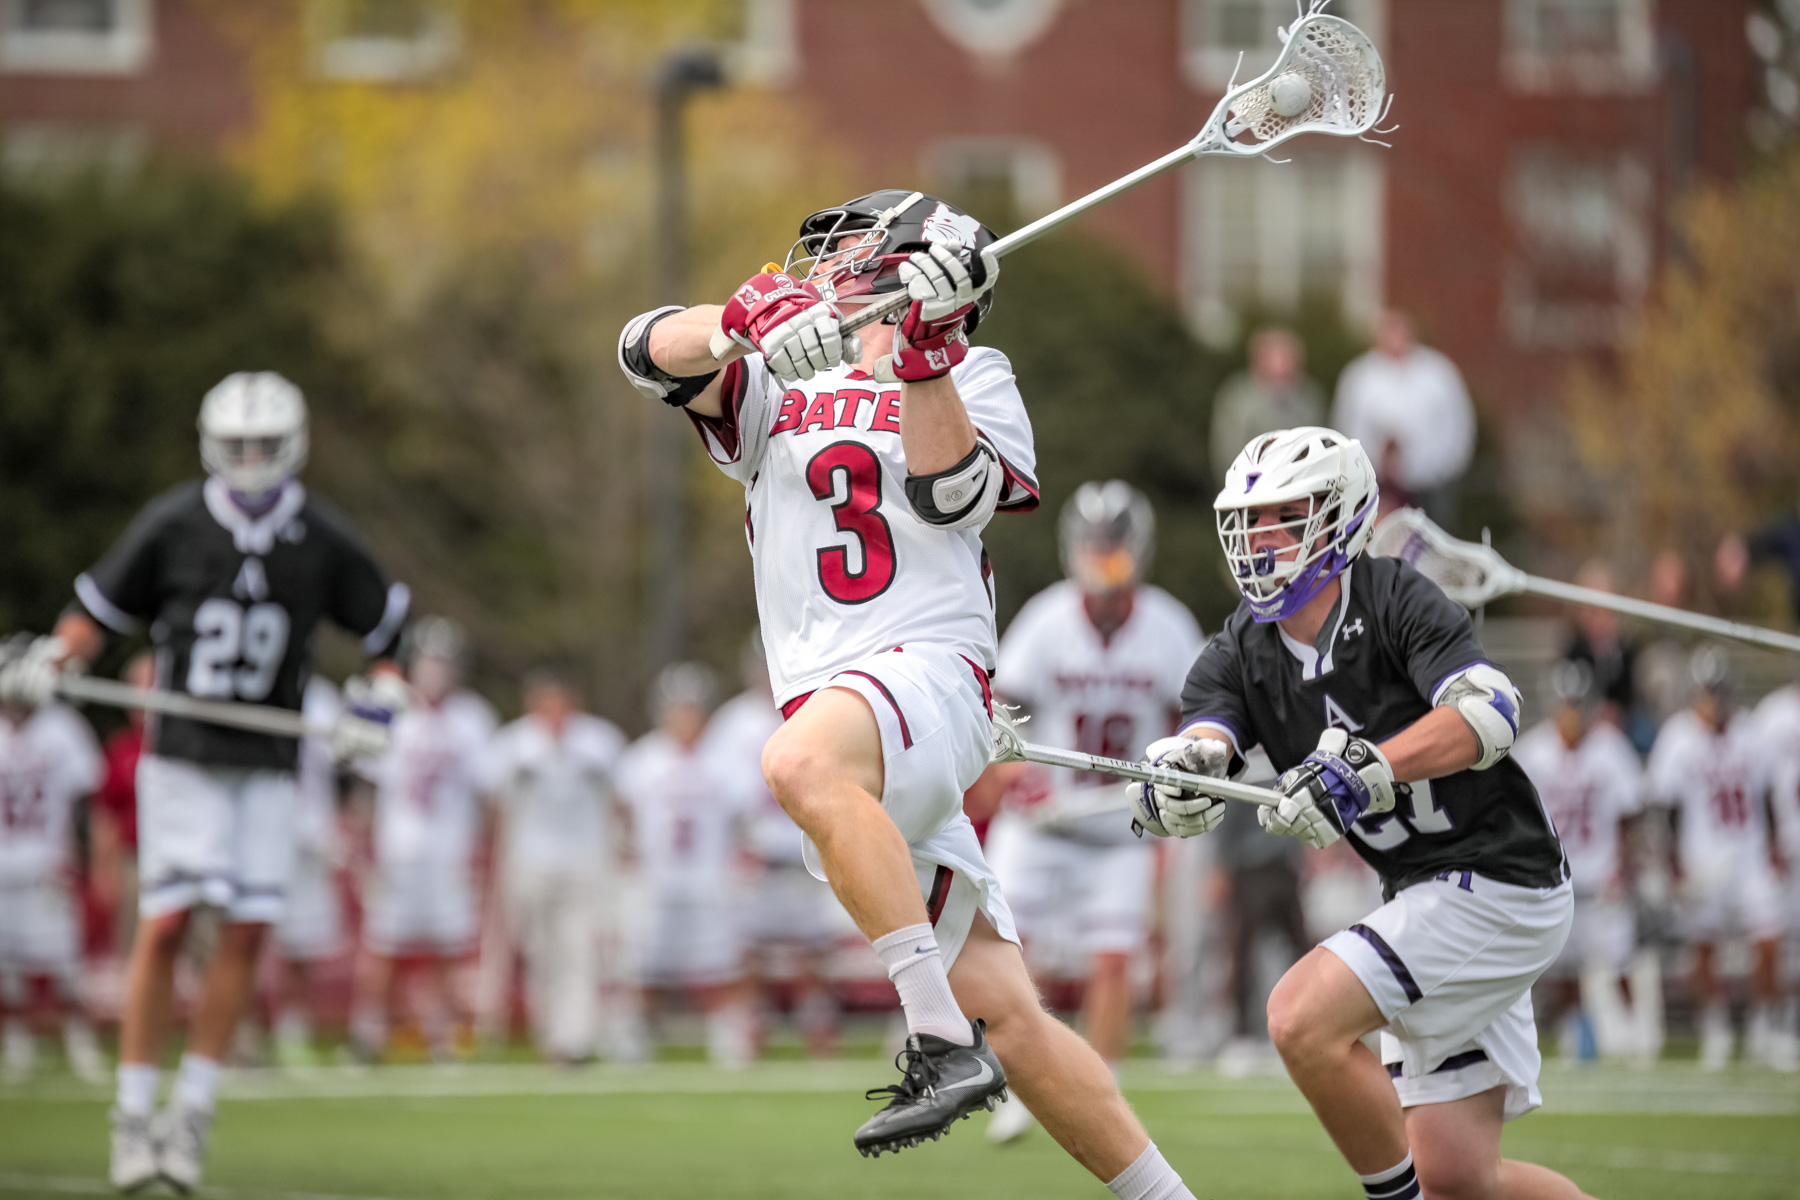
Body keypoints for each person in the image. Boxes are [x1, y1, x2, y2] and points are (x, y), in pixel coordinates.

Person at [619, 189, 1202, 1194]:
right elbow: (640, 350)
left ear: (908, 267)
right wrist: (737, 322)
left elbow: (953, 493)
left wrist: (927, 356)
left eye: (849, 255)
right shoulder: (775, 378)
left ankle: (934, 1036)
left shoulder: (977, 370)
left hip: (927, 674)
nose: (825, 270)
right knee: (1014, 1019)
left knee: (793, 763)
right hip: (850, 724)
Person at [1129, 427, 1589, 1200]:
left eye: (1281, 517)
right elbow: (1208, 735)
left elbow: (1493, 710)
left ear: (1338, 518)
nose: (1257, 540)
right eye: (1248, 522)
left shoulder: (1394, 597)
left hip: (1499, 882)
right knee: (1459, 1176)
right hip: (1426, 894)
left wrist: (1372, 767)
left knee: (1299, 1018)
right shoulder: (1241, 647)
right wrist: (1184, 776)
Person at [0, 371, 408, 1194]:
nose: (252, 460)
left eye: (265, 445)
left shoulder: (319, 536)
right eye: (238, 446)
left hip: (266, 760)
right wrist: (55, 657)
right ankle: (133, 1109)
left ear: (291, 445)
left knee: (249, 929)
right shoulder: (175, 522)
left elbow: (385, 627)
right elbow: (99, 611)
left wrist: (384, 694)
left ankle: (193, 1109)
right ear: (212, 445)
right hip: (183, 750)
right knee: (168, 917)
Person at [982, 481, 1203, 1141]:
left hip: (1121, 822)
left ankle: (1099, 1085)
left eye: (1115, 551)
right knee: (1010, 952)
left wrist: (1180, 778)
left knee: (1113, 959)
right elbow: (1001, 715)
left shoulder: (1167, 625)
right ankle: (1028, 1078)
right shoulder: (1048, 619)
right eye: (1095, 549)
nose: (1104, 562)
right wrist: (1017, 776)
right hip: (1042, 819)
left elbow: (1192, 721)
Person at [349, 617, 494, 1066]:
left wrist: (477, 852)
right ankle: (369, 1032)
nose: (437, 671)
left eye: (444, 662)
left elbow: (485, 793)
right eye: (430, 661)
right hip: (398, 849)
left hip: (448, 852)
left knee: (449, 945)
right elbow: (361, 782)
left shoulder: (474, 717)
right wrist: (361, 846)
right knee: (384, 943)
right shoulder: (384, 706)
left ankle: (443, 1034)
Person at [1644, 648, 1790, 1070]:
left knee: (1769, 940)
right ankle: (1716, 1031)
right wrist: (1672, 863)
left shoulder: (1752, 732)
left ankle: (1764, 1029)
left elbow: (1767, 795)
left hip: (1749, 854)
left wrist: (1775, 845)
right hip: (1702, 860)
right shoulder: (1678, 736)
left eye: (1721, 691)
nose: (1715, 700)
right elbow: (1666, 806)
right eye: (1710, 691)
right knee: (1702, 948)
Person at [710, 633, 846, 1058]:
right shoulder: (735, 722)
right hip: (760, 852)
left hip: (807, 845)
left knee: (813, 950)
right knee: (749, 949)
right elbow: (721, 795)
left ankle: (817, 1025)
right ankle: (752, 1025)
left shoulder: (815, 706)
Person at [483, 665, 626, 1064]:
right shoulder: (513, 743)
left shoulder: (599, 741)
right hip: (529, 862)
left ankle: (574, 1039)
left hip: (583, 861)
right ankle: (549, 1032)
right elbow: (496, 807)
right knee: (541, 952)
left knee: (578, 951)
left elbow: (618, 802)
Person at [614, 664, 755, 1067]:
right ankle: (635, 1033)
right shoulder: (642, 758)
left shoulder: (725, 761)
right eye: (678, 708)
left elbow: (743, 818)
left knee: (723, 961)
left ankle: (729, 1033)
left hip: (709, 877)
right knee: (644, 962)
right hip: (657, 878)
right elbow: (621, 814)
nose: (685, 717)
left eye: (692, 708)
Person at [1512, 661, 1646, 1062]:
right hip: (1556, 876)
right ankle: (1578, 1031)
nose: (1572, 713)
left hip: (1601, 873)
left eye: (1578, 704)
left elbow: (1628, 815)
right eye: (1566, 704)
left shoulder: (1611, 748)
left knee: (1618, 958)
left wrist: (1625, 865)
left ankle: (1633, 1029)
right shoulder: (1534, 751)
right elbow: (1517, 814)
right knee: (1563, 964)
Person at [0, 677, 107, 1084]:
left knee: (65, 963)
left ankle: (81, 1043)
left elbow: (86, 798)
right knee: (9, 965)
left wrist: (85, 854)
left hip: (47, 862)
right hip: (4, 865)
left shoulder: (61, 728)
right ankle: (18, 1043)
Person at [1330, 310, 1475, 521]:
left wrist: (1446, 468)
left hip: (1430, 485)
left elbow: (1459, 424)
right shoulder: (1359, 376)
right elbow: (1344, 425)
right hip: (1373, 483)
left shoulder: (1438, 372)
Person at [268, 677, 346, 1069]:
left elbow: (346, 759)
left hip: (312, 838)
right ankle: (241, 1035)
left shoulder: (323, 697)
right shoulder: (261, 683)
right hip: (262, 834)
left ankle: (292, 1032)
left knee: (303, 943)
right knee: (248, 941)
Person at [1209, 327, 1325, 486]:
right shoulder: (1237, 399)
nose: (1281, 373)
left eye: (1287, 372)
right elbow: (1228, 458)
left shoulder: (1311, 398)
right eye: (1274, 371)